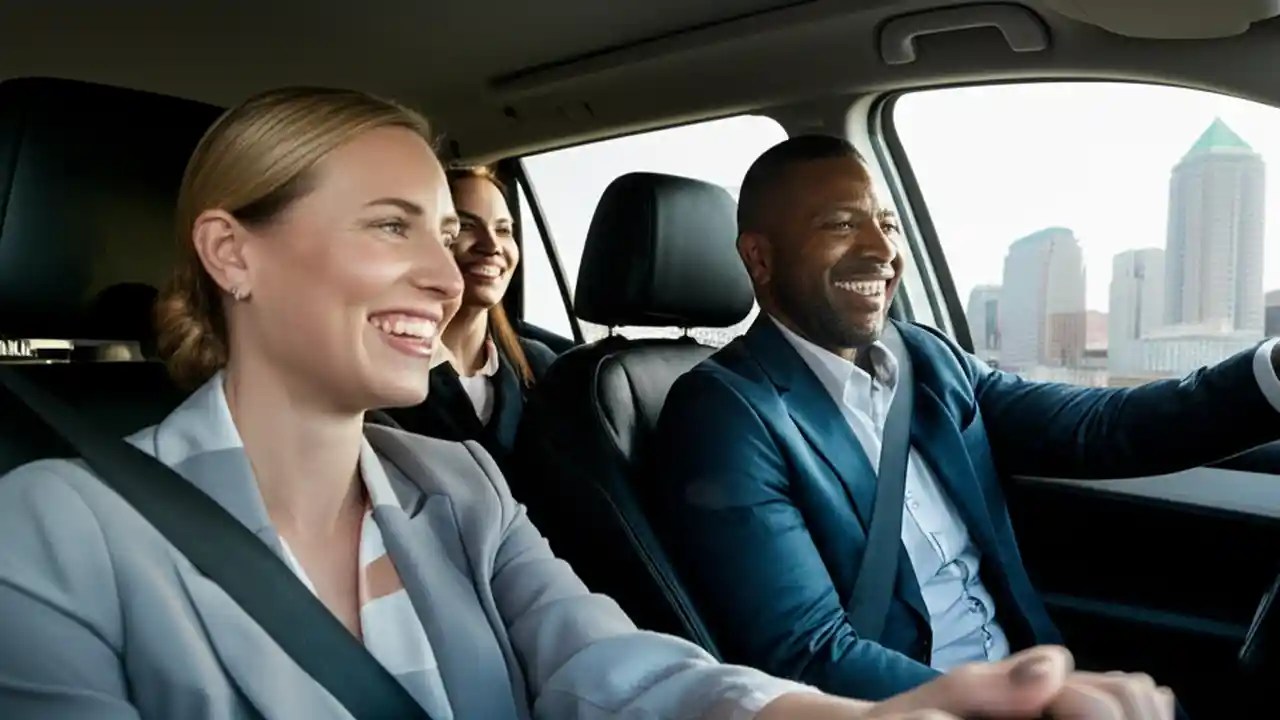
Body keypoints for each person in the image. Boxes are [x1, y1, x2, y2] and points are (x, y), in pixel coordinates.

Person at [0, 88, 1171, 720]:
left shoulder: (457, 485)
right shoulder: (50, 531)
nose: (448, 274)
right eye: (391, 226)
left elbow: (621, 672)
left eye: (448, 234)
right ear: (232, 253)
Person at [649, 134, 1280, 706]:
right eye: (840, 224)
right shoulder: (725, 412)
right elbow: (809, 655)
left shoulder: (925, 358)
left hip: (1026, 674)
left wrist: (1271, 375)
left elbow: (1103, 426)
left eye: (888, 224)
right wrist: (1026, 707)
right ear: (760, 259)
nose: (882, 250)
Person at [377, 166, 555, 467]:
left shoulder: (543, 368)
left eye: (503, 230)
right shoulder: (380, 374)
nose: (492, 246)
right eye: (466, 226)